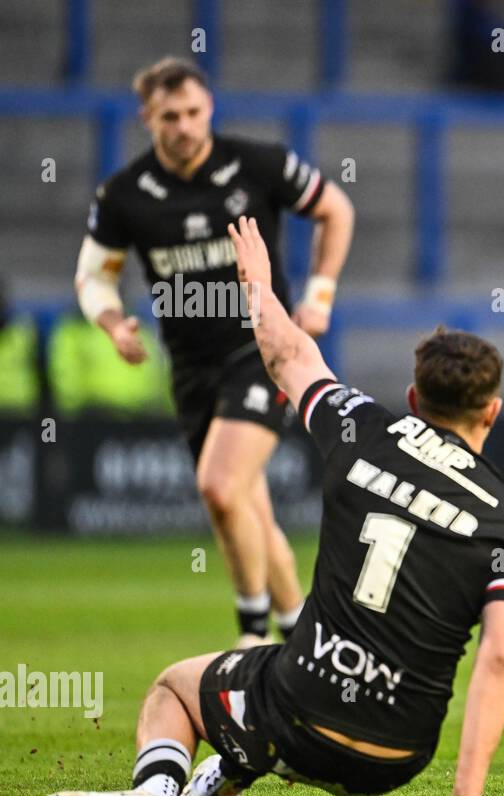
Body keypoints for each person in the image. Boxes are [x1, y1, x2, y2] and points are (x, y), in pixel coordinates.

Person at [38, 216, 504, 796]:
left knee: (176, 686)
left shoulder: (361, 431)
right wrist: (468, 793)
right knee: (280, 664)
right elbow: (499, 656)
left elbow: (288, 354)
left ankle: (158, 790)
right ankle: (215, 781)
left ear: (413, 399)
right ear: (491, 411)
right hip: (398, 755)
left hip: (300, 712)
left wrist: (257, 284)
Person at [74, 56, 355, 647]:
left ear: (210, 109)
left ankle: (251, 638)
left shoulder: (257, 164)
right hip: (191, 370)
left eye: (194, 112)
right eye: (170, 116)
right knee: (250, 511)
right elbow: (94, 275)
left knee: (220, 488)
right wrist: (111, 322)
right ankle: (305, 646)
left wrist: (320, 296)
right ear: (148, 117)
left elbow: (336, 209)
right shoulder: (126, 194)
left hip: (264, 353)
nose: (184, 126)